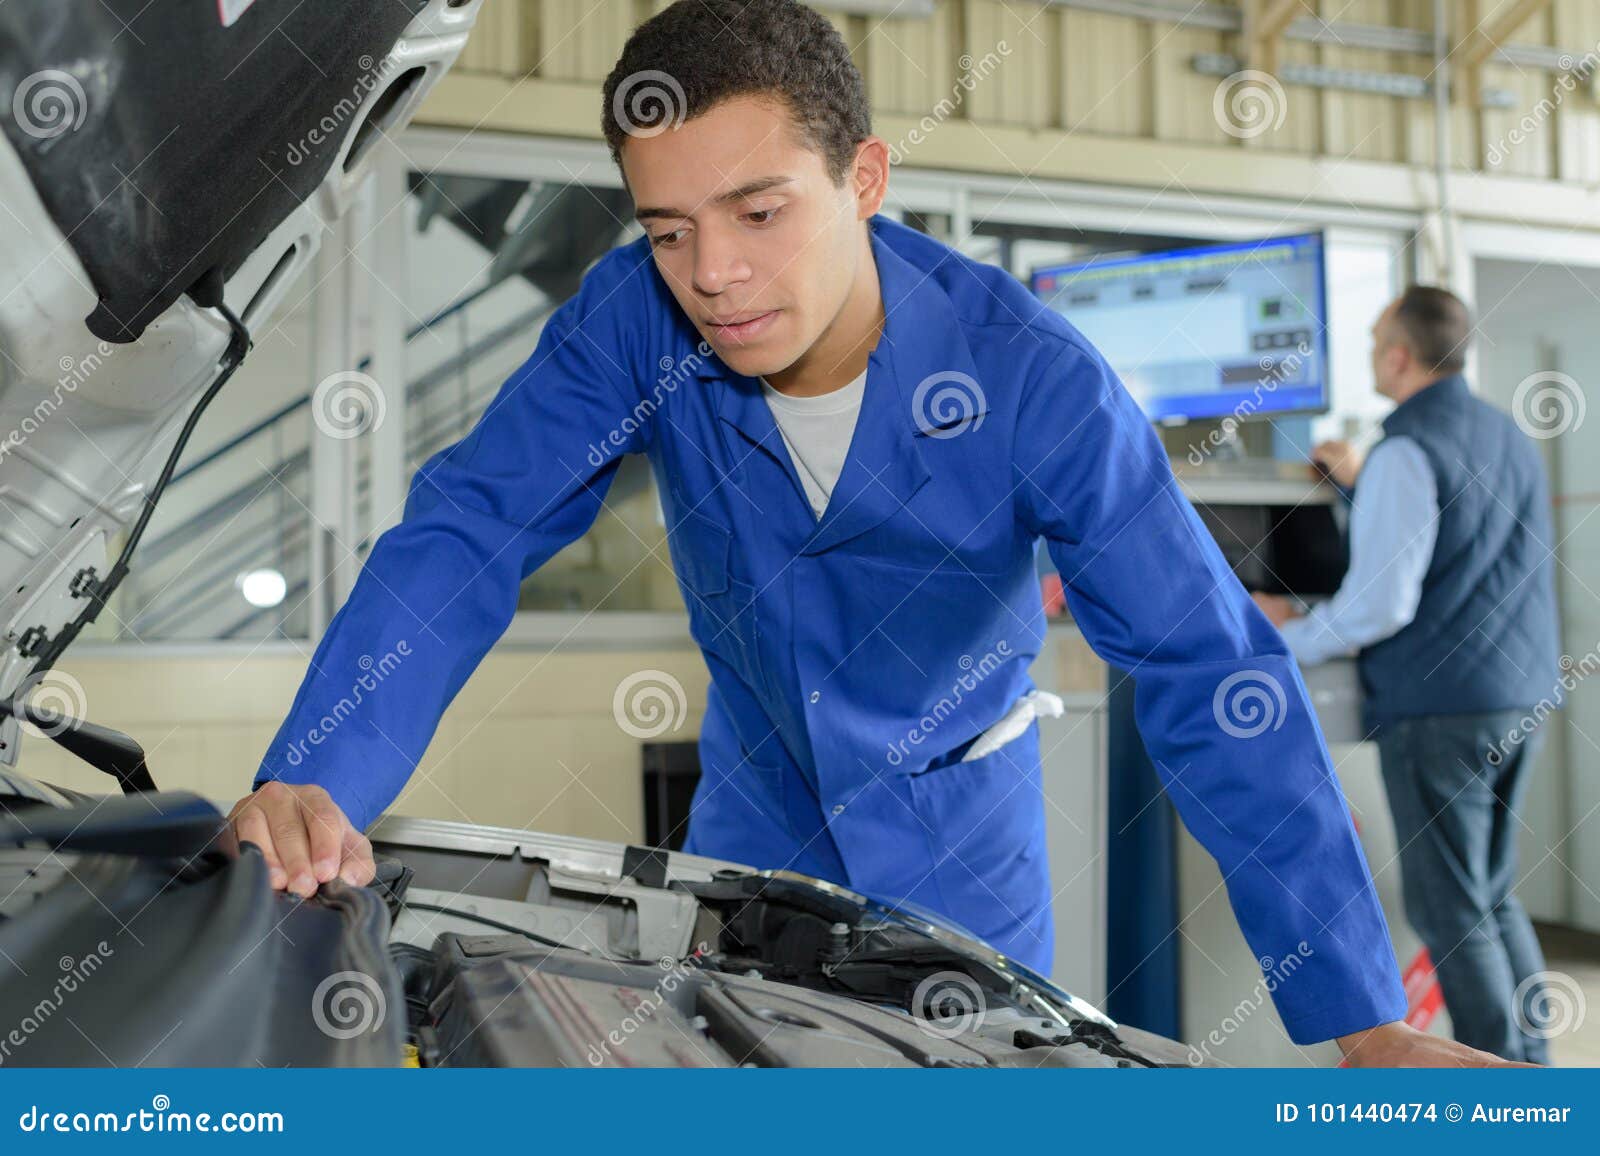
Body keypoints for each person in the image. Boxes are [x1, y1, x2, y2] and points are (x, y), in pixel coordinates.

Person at [231, 0, 1511, 1065]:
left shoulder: (1031, 379)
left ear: (868, 177)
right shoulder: (633, 321)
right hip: (751, 811)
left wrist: (1359, 1016)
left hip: (960, 840)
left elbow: (1207, 665)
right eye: (668, 229)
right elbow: (473, 527)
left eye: (760, 210)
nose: (712, 272)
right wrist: (321, 775)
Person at [1254, 285, 1560, 1063]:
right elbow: (1465, 548)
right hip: (1516, 694)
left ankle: (1499, 1088)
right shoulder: (1504, 434)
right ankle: (1538, 1071)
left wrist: (1285, 638)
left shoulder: (1406, 451)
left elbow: (1379, 606)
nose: (1369, 354)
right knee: (1490, 893)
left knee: (1448, 906)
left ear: (1398, 355)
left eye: (1373, 341)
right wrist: (1363, 486)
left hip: (1438, 711)